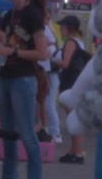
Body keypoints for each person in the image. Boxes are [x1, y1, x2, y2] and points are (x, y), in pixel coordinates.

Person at [0, 0, 50, 179]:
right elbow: (8, 45)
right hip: (5, 77)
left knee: (27, 135)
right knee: (8, 136)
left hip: (23, 80)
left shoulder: (33, 15)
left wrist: (12, 51)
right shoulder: (10, 15)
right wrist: (0, 48)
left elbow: (42, 53)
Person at [55, 15, 90, 164]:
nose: (61, 28)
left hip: (69, 81)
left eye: (63, 26)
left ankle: (77, 152)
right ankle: (74, 150)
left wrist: (52, 60)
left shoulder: (70, 42)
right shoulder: (80, 42)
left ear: (69, 28)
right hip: (77, 80)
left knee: (72, 117)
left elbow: (66, 63)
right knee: (76, 117)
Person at [42, 11, 62, 144]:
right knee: (49, 103)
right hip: (51, 72)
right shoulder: (51, 29)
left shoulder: (46, 29)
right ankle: (53, 131)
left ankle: (55, 133)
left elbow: (50, 50)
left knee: (49, 104)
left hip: (50, 72)